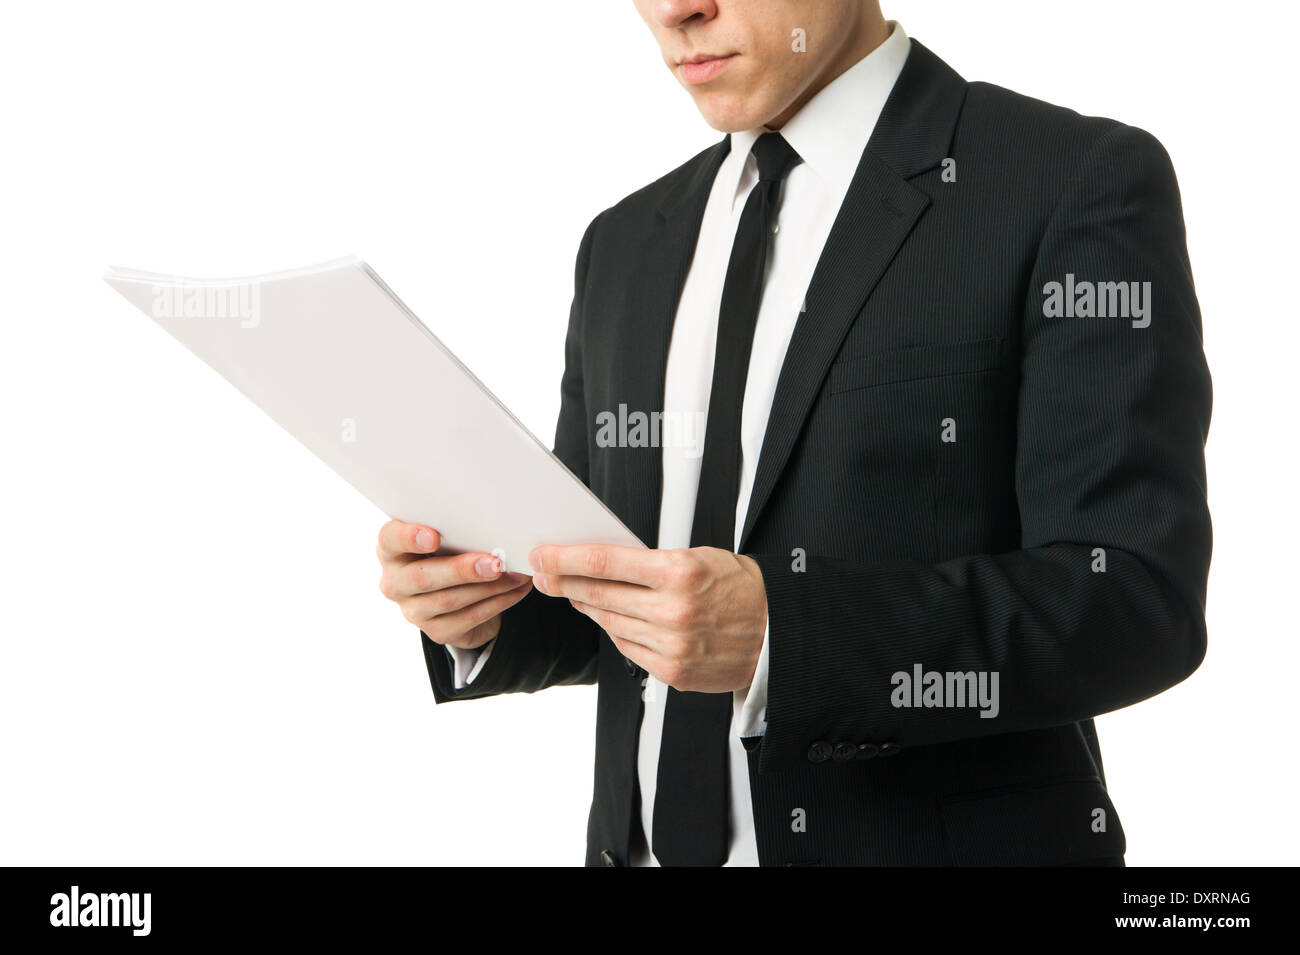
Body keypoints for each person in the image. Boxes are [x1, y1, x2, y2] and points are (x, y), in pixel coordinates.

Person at [376, 0, 1212, 866]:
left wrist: (788, 635)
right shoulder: (623, 241)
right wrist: (479, 611)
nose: (675, 9)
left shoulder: (1070, 179)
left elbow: (1137, 601)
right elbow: (620, 596)